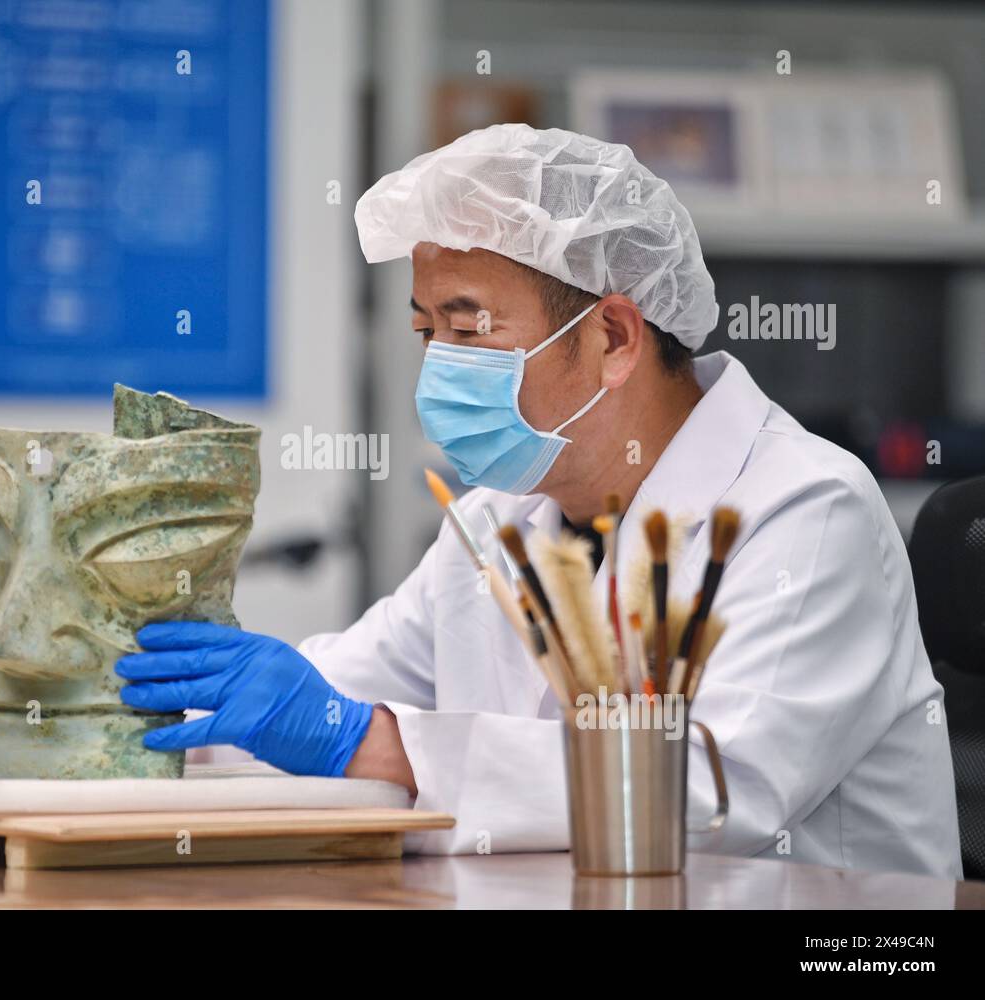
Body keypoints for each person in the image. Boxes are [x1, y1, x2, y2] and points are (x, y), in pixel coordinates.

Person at [116, 124, 961, 878]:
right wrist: (142, 716)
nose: (438, 367)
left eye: (470, 327)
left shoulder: (809, 510)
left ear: (616, 338)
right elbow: (334, 692)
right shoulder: (498, 521)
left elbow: (714, 788)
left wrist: (360, 740)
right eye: (426, 331)